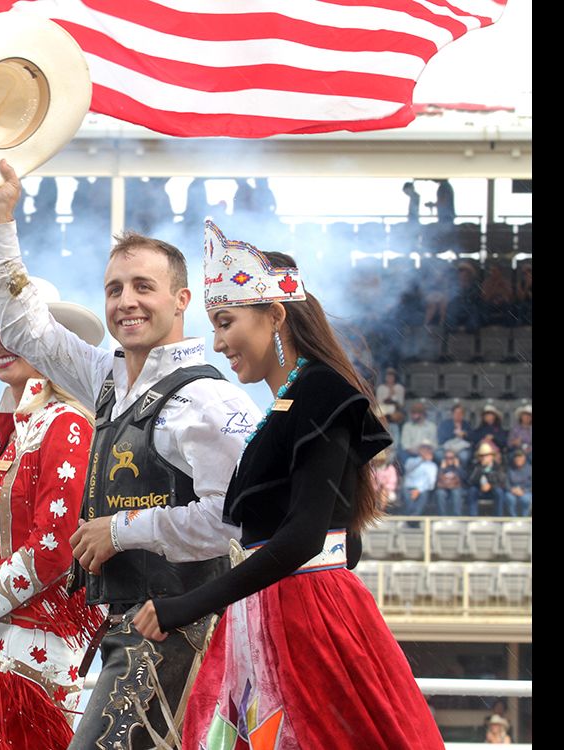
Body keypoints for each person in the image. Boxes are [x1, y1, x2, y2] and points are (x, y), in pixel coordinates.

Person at [0, 159, 263, 750]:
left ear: (182, 299)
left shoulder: (211, 400)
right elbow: (26, 329)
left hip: (185, 624)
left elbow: (234, 520)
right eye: (114, 289)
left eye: (142, 287)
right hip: (127, 621)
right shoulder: (108, 381)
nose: (126, 302)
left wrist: (121, 530)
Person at [132, 219, 445, 749]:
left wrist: (190, 605)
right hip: (288, 611)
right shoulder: (291, 404)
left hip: (298, 616)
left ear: (275, 314)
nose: (219, 342)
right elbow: (346, 544)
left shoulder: (319, 391)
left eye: (226, 322)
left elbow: (303, 539)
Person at [0, 283, 107, 749]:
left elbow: (55, 549)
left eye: (13, 327)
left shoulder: (67, 423)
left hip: (33, 656)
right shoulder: (14, 435)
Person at [466, 442, 508, 516]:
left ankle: (498, 517)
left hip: (493, 489)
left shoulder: (497, 467)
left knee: (499, 492)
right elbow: (470, 480)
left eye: (486, 455)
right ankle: (473, 517)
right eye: (481, 456)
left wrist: (490, 485)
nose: (483, 457)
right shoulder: (475, 466)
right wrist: (480, 469)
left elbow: (501, 480)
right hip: (479, 489)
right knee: (472, 491)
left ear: (491, 456)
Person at [402, 440, 439, 515]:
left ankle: (413, 519)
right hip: (408, 487)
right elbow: (408, 469)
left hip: (423, 490)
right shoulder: (411, 460)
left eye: (427, 448)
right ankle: (410, 519)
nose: (425, 450)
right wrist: (422, 459)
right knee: (407, 494)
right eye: (423, 448)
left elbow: (431, 483)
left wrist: (418, 490)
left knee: (423, 495)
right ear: (419, 450)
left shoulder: (432, 465)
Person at [435, 448, 467, 515]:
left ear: (455, 458)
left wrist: (458, 467)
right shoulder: (441, 467)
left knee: (456, 493)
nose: (449, 459)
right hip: (443, 488)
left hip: (456, 487)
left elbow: (464, 478)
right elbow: (436, 480)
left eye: (451, 457)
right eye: (447, 457)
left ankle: (457, 516)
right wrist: (441, 469)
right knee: (440, 493)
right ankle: (441, 517)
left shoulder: (459, 467)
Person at [505, 449, 532, 516]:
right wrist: (512, 489)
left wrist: (523, 490)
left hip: (526, 491)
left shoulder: (530, 469)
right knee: (509, 498)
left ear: (524, 458)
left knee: (525, 499)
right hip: (512, 491)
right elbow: (506, 483)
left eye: (520, 457)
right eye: (516, 457)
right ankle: (514, 518)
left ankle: (524, 519)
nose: (518, 459)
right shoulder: (510, 469)